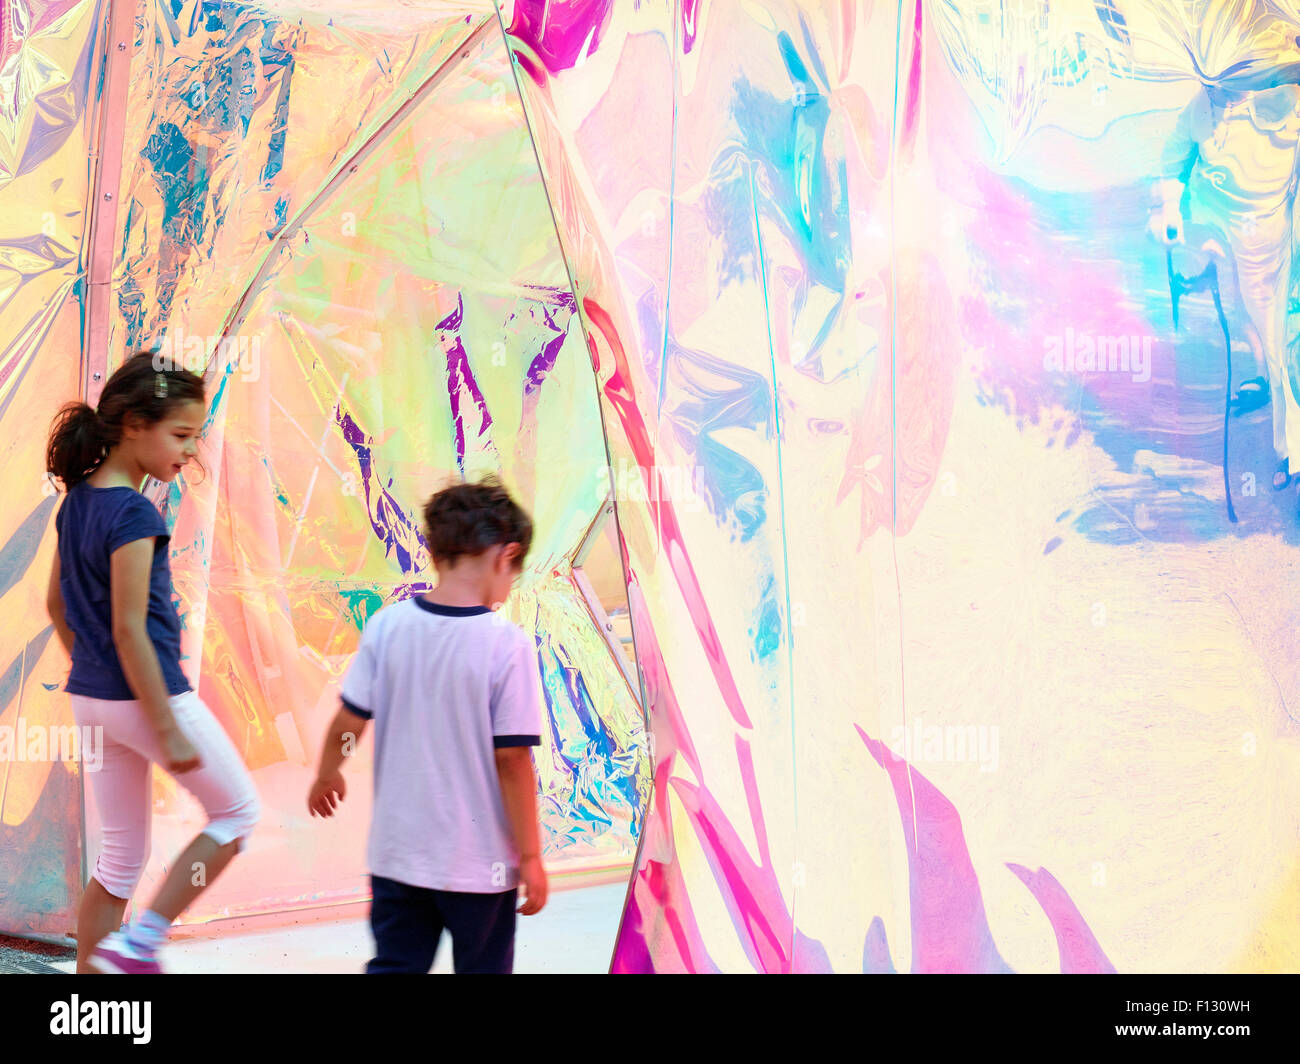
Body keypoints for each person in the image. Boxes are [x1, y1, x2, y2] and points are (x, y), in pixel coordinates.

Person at [45, 351, 260, 974]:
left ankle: (93, 998)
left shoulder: (78, 502)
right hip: (147, 696)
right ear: (133, 425)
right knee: (238, 811)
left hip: (93, 698)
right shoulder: (134, 513)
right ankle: (142, 942)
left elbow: (56, 602)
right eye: (182, 435)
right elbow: (129, 626)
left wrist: (91, 676)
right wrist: (162, 722)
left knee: (117, 861)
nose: (190, 452)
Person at [308, 477, 548, 974]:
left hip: (398, 859)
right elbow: (512, 760)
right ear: (506, 555)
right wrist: (530, 854)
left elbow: (348, 723)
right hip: (481, 867)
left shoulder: (388, 626)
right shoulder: (507, 646)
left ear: (437, 551)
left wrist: (328, 772)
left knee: (395, 965)